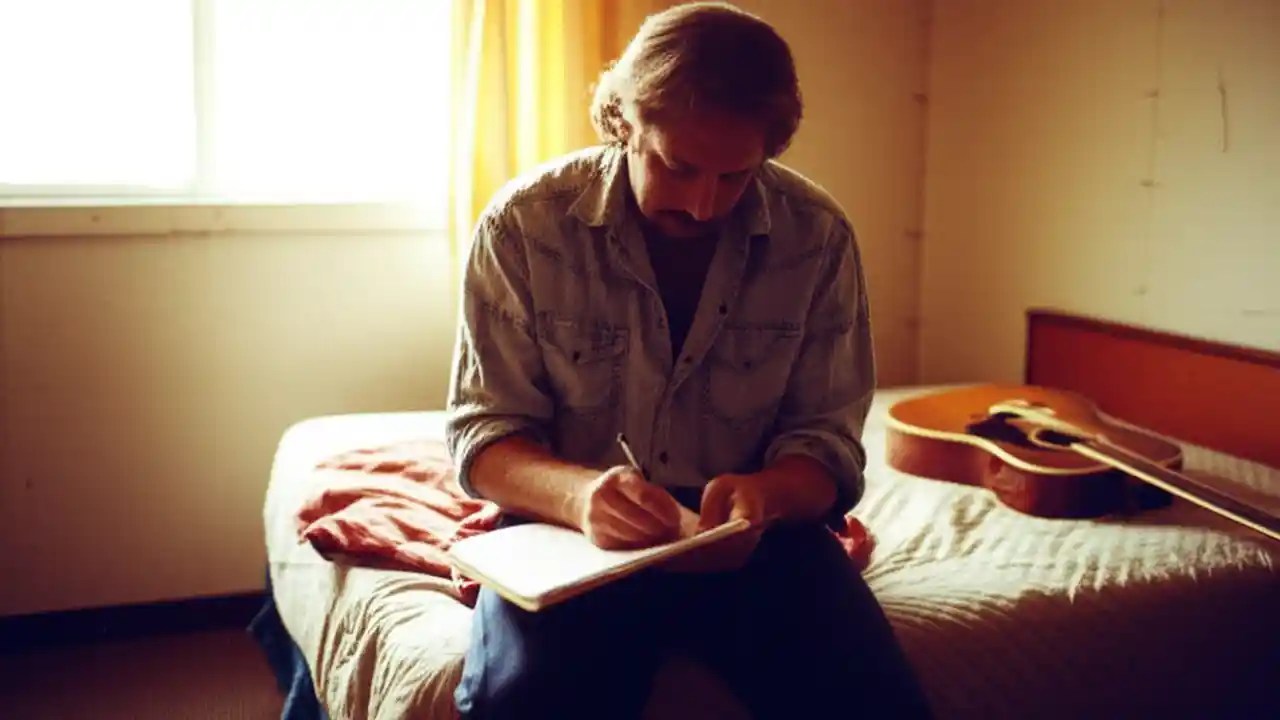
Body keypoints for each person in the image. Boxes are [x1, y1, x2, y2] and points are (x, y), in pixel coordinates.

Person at [445, 2, 931, 718]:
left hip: (758, 546)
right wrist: (581, 497)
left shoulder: (817, 237)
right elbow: (483, 437)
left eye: (736, 176)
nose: (706, 206)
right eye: (679, 167)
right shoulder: (525, 226)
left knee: (875, 702)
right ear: (623, 123)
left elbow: (827, 442)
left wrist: (766, 497)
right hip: (569, 541)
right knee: (521, 701)